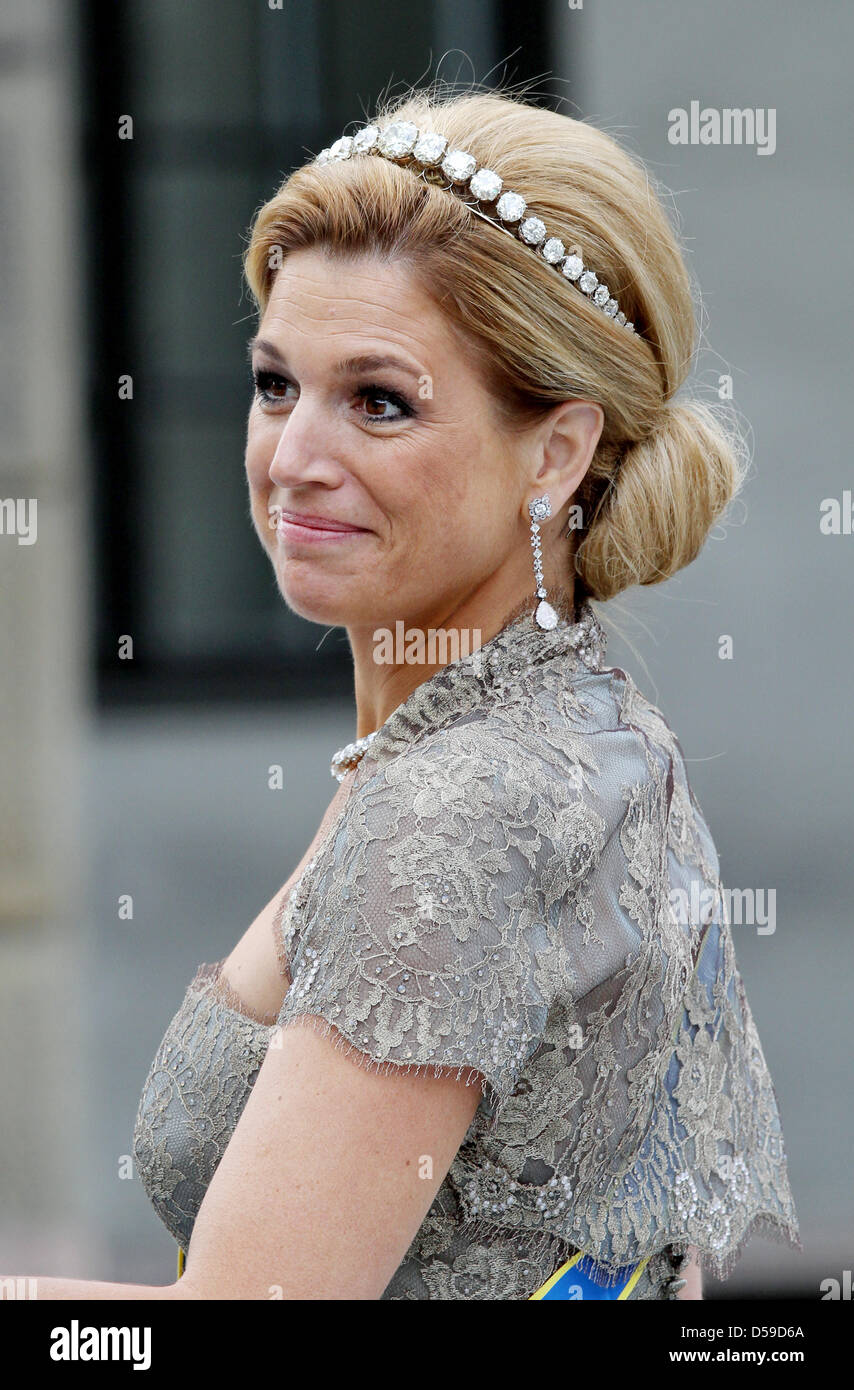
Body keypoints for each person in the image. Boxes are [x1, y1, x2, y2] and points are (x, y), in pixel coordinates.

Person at [14, 84, 801, 1300]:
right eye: (276, 384)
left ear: (554, 453)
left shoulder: (462, 808)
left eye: (377, 401)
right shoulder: (580, 734)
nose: (293, 458)